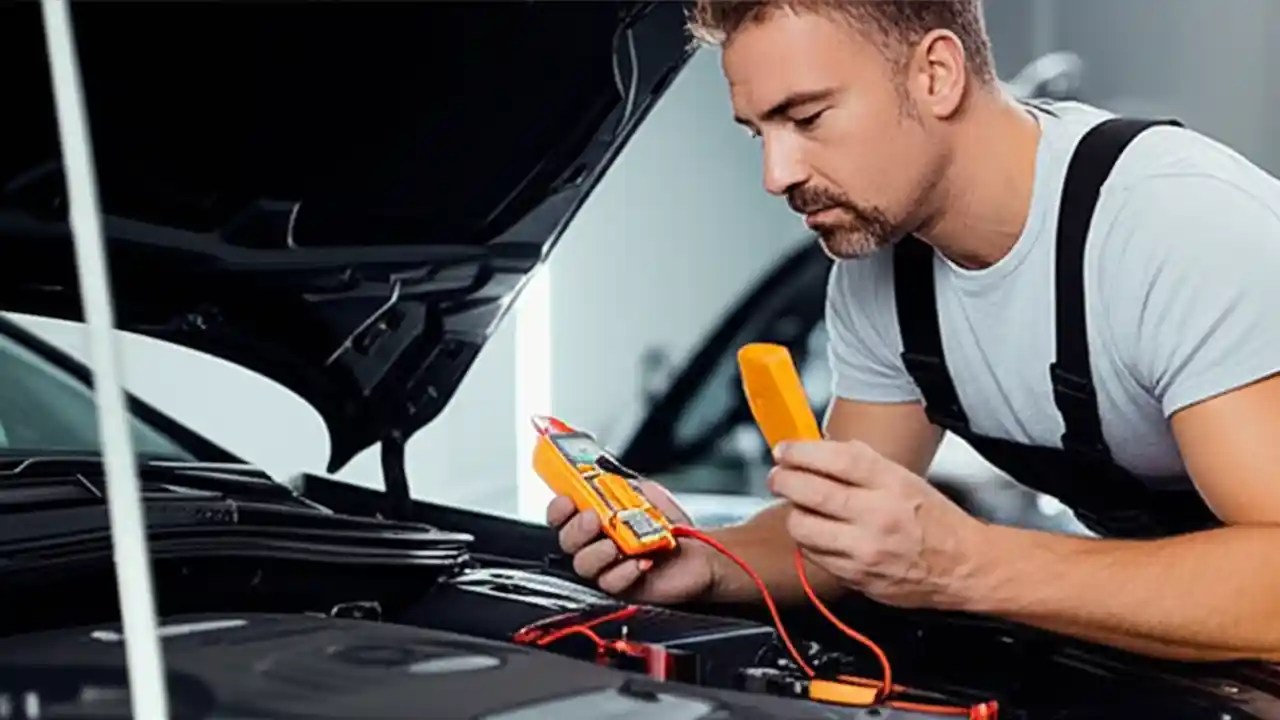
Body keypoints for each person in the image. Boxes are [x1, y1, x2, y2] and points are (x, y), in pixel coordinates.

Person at [547, 0, 1280, 663]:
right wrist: (709, 561)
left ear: (935, 74)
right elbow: (847, 535)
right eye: (758, 133)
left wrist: (966, 564)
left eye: (806, 119)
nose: (776, 172)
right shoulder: (880, 278)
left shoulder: (1176, 230)